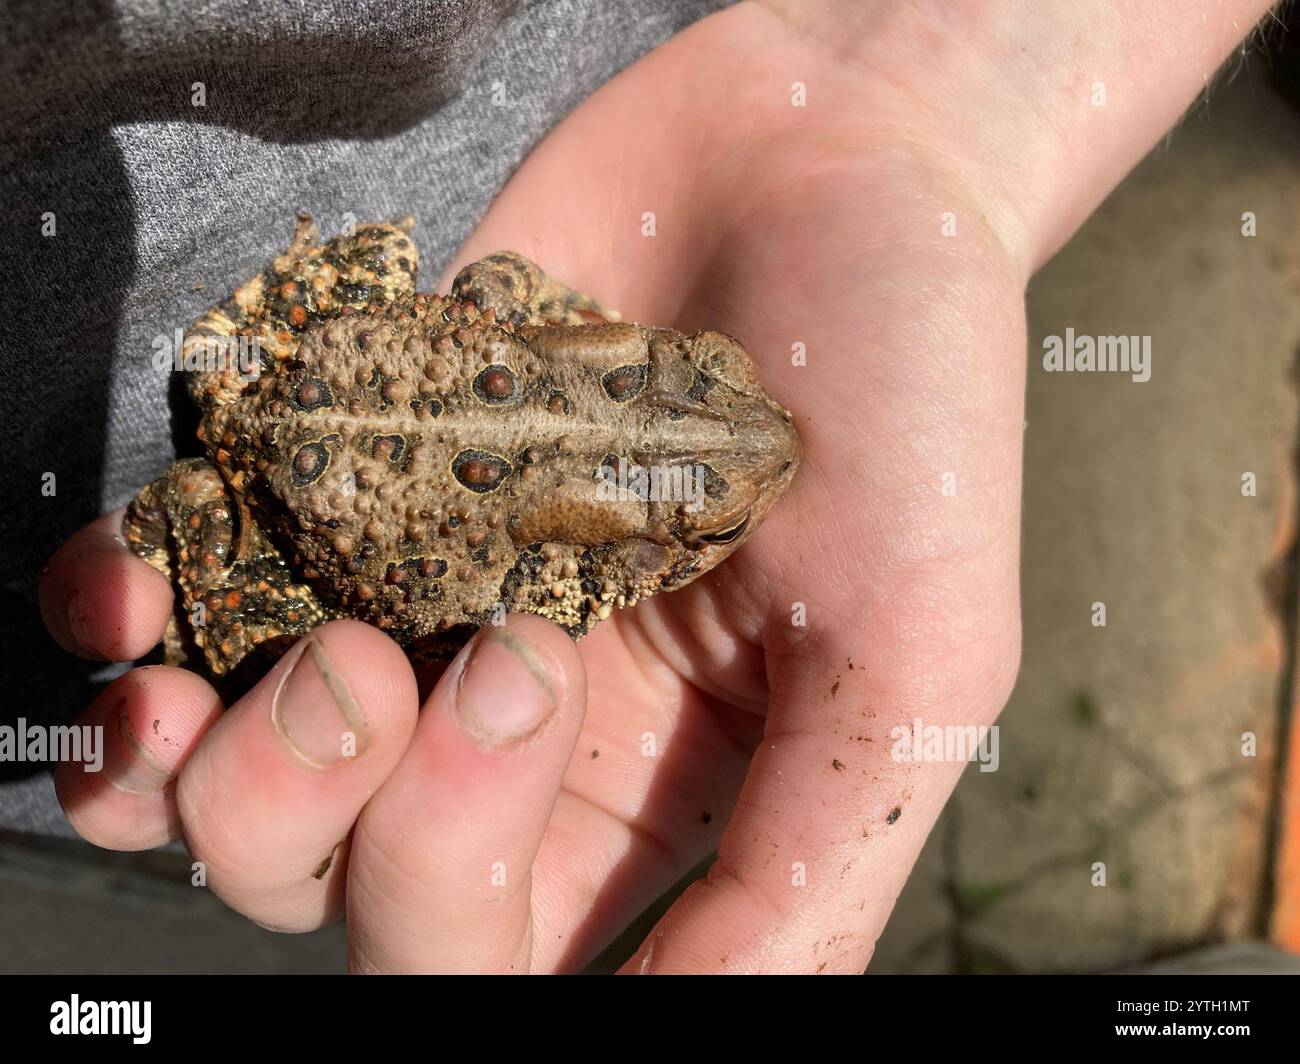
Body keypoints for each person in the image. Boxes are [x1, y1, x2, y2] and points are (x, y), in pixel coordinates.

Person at [33, 0, 1276, 973]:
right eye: (715, 520)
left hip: (299, 355)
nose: (766, 452)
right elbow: (476, 592)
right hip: (255, 507)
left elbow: (502, 298)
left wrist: (928, 95)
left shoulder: (577, 370)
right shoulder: (566, 587)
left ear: (660, 365)